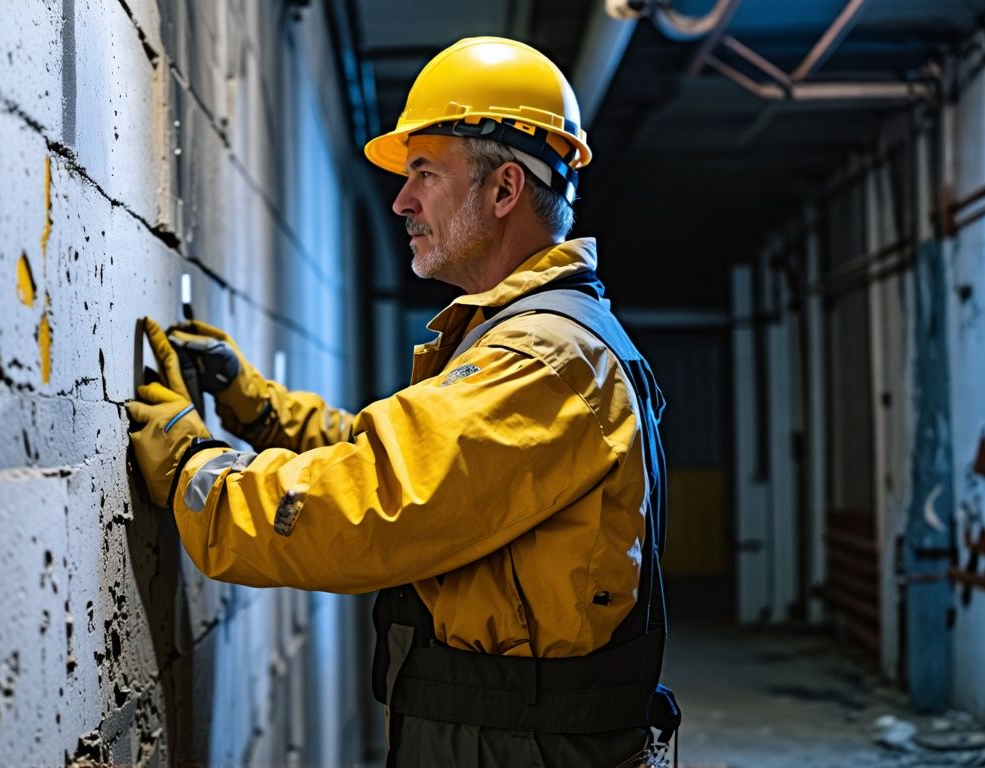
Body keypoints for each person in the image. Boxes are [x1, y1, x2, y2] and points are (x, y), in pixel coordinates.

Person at [126, 36, 676, 767]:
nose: (402, 199)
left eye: (424, 172)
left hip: (519, 750)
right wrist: (257, 407)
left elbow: (374, 501)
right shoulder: (526, 337)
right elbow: (412, 459)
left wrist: (198, 471)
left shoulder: (542, 358)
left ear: (505, 190)